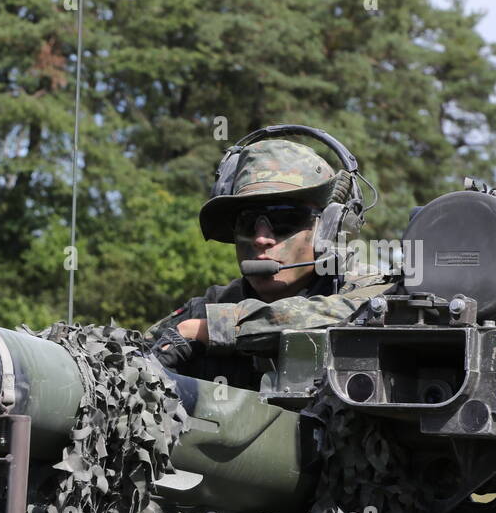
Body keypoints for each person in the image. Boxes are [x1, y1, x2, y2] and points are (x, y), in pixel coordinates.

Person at [149, 129, 394, 387]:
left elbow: (354, 314)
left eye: (284, 219)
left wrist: (215, 328)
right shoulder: (203, 310)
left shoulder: (372, 293)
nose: (261, 238)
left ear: (329, 230)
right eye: (248, 222)